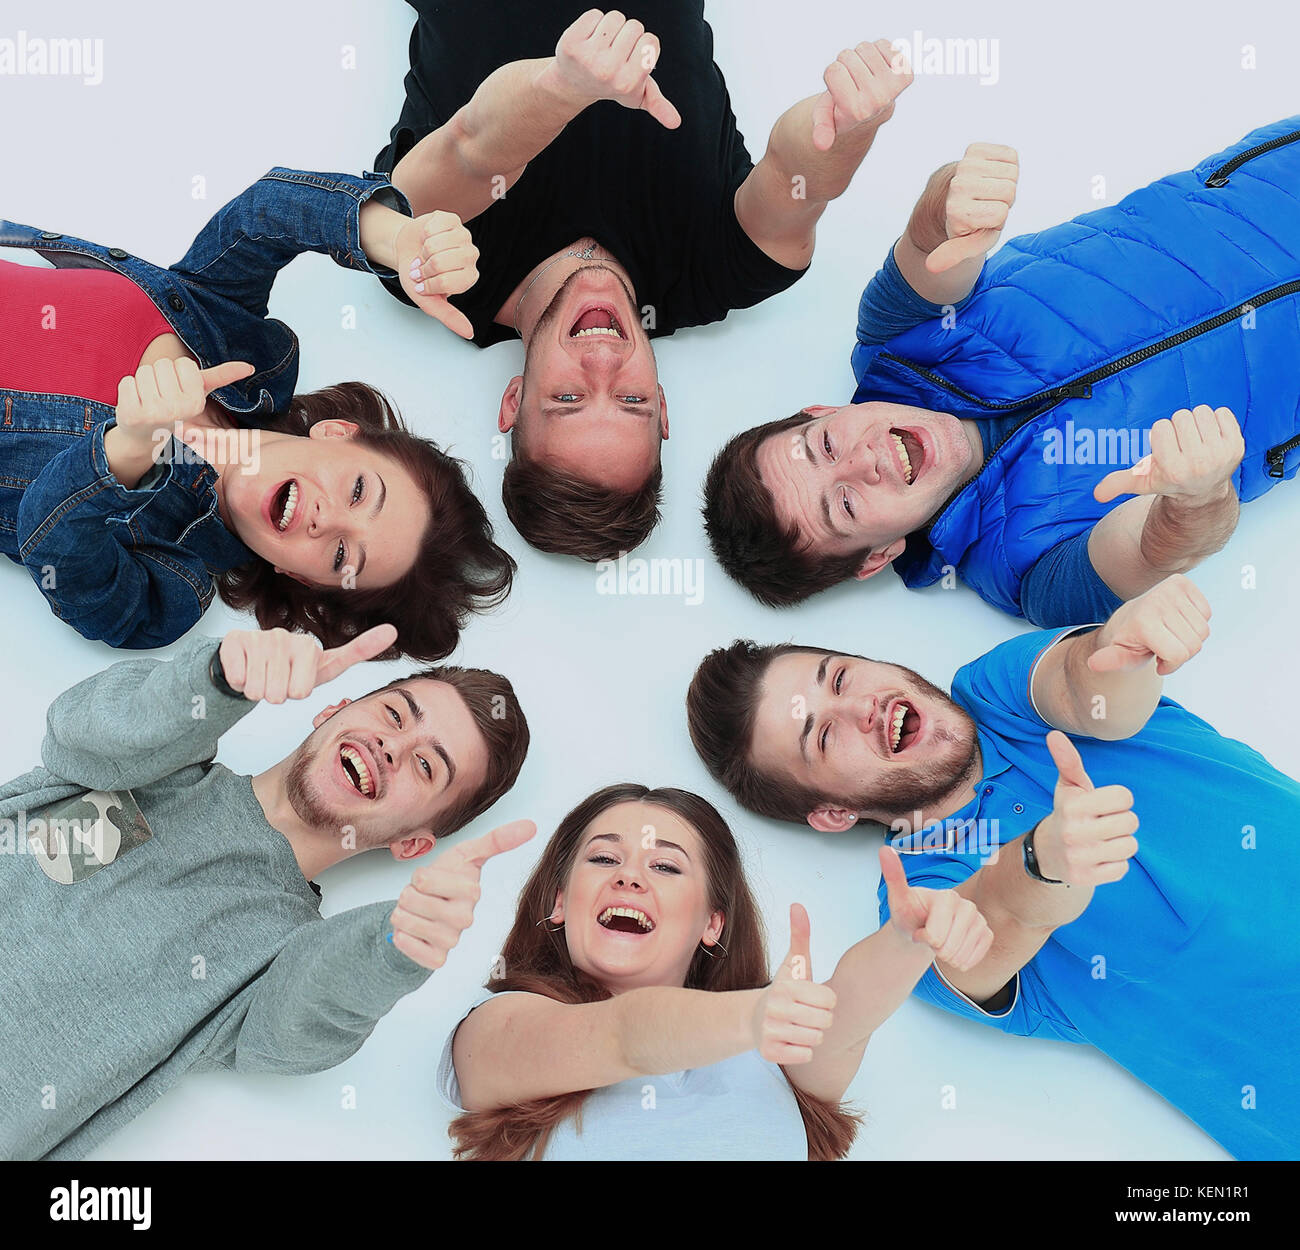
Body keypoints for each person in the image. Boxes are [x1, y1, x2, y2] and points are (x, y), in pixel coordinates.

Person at [686, 574, 1300, 1160]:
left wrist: (1125, 642)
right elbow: (994, 918)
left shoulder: (999, 693)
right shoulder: (915, 909)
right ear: (834, 814)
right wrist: (1044, 863)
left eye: (840, 678)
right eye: (822, 737)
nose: (861, 709)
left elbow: (1094, 689)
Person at [703, 117, 1300, 625]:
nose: (865, 462)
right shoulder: (1036, 576)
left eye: (826, 446)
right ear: (877, 556)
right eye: (847, 506)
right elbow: (1157, 547)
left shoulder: (895, 339)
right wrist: (1195, 498)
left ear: (824, 412)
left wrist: (954, 199)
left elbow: (930, 243)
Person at [375, 2, 914, 559]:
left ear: (513, 399)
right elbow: (793, 178)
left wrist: (563, 87)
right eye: (631, 399)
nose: (603, 363)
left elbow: (468, 147)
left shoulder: (434, 275)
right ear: (661, 402)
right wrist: (849, 128)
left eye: (568, 397)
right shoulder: (717, 273)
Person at [0, 623, 532, 1160]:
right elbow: (83, 731)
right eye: (394, 715)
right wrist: (219, 678)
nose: (390, 746)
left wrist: (397, 943)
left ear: (412, 845)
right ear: (333, 710)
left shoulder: (279, 957)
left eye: (425, 766)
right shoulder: (157, 763)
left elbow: (303, 1025)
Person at [1, 165, 513, 657]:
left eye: (341, 557)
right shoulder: (237, 346)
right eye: (358, 491)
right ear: (337, 433)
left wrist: (132, 447)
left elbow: (56, 552)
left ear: (302, 578)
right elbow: (263, 216)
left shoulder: (171, 585)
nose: (326, 520)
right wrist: (398, 240)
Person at [438, 782, 993, 1160]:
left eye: (665, 865)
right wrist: (757, 1014)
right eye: (605, 859)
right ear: (559, 903)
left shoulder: (764, 1045)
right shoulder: (496, 1028)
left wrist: (910, 939)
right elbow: (624, 1036)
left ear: (712, 923)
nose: (630, 878)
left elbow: (846, 1013)